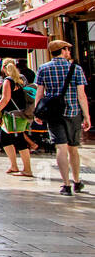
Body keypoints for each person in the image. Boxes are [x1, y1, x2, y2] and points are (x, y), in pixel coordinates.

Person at [35, 40, 90, 196]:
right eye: (68, 49)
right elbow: (81, 95)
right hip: (73, 112)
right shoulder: (76, 69)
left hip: (53, 114)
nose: (69, 52)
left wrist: (37, 112)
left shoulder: (43, 68)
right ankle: (77, 181)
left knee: (61, 148)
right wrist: (87, 116)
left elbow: (39, 93)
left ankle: (66, 185)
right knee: (73, 148)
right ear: (63, 50)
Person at [0, 60, 38, 178]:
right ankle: (14, 165)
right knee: (5, 138)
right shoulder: (22, 79)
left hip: (14, 116)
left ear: (4, 68)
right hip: (21, 114)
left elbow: (5, 99)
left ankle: (27, 169)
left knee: (20, 141)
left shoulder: (8, 81)